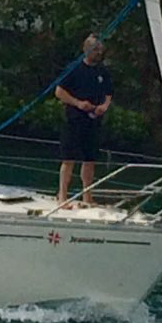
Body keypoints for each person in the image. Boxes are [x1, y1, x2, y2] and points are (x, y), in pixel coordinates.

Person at [54, 33, 113, 207]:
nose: (99, 53)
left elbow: (109, 93)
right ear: (86, 50)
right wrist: (78, 103)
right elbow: (59, 92)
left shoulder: (102, 71)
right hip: (74, 119)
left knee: (90, 159)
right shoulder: (74, 68)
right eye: (96, 50)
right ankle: (62, 196)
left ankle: (87, 196)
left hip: (93, 121)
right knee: (68, 158)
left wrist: (104, 106)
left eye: (100, 50)